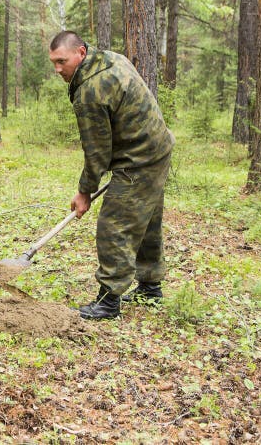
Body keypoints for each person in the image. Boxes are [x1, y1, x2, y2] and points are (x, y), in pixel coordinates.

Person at [48, 31, 175, 320]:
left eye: (62, 61)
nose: (58, 69)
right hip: (158, 147)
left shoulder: (90, 91)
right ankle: (150, 286)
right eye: (54, 63)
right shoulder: (110, 59)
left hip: (138, 159)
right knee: (147, 220)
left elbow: (97, 152)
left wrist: (85, 192)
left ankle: (108, 302)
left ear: (80, 53)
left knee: (114, 226)